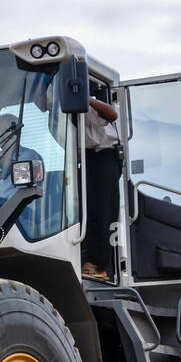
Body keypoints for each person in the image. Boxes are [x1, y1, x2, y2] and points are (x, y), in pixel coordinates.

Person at [82, 91, 121, 281]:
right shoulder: (54, 111)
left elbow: (112, 115)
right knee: (87, 207)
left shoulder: (74, 98)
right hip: (85, 157)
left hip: (104, 155)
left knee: (103, 209)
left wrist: (87, 98)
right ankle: (89, 258)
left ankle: (101, 265)